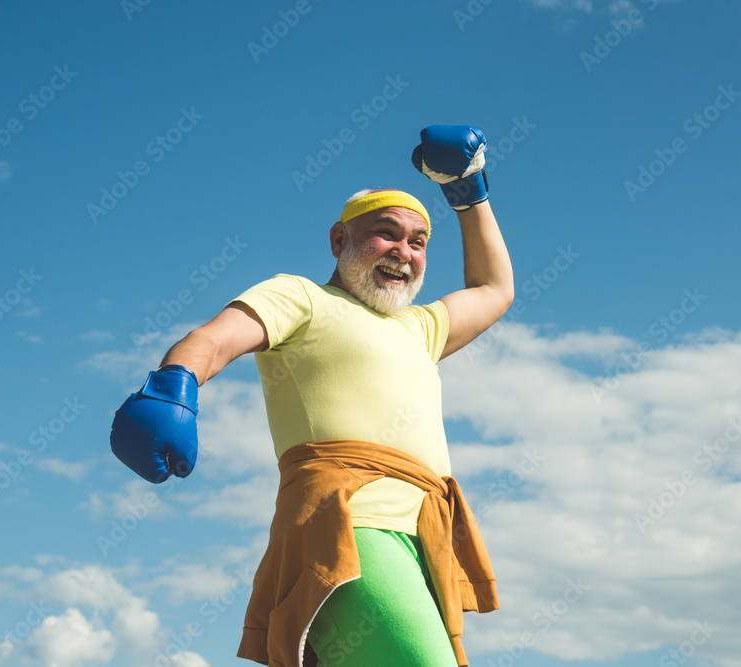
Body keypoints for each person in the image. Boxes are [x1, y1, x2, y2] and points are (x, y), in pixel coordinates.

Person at [110, 126, 514, 666]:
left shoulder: (421, 328)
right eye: (386, 234)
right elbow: (212, 339)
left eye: (418, 243)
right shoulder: (301, 297)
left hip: (424, 541)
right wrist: (172, 385)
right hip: (348, 526)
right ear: (338, 240)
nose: (403, 251)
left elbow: (493, 290)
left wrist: (468, 190)